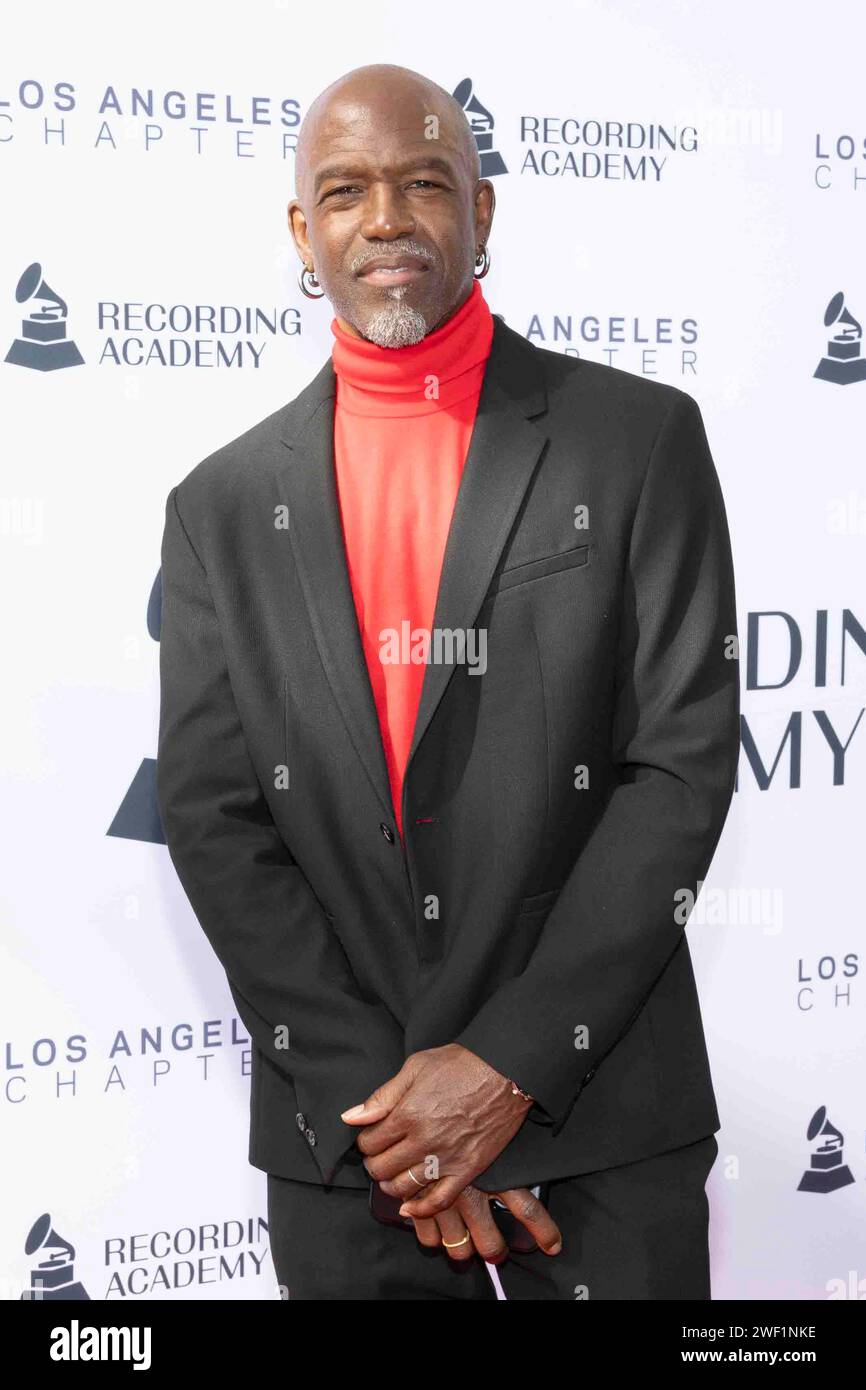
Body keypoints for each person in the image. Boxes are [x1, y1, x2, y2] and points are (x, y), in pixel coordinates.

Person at [156, 62, 739, 1301]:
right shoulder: (217, 507)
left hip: (601, 1140)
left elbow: (675, 770)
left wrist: (506, 1073)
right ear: (302, 232)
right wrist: (406, 1128)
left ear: (483, 210)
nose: (386, 219)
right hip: (350, 1162)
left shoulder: (636, 440)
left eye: (424, 184)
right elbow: (216, 822)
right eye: (346, 190)